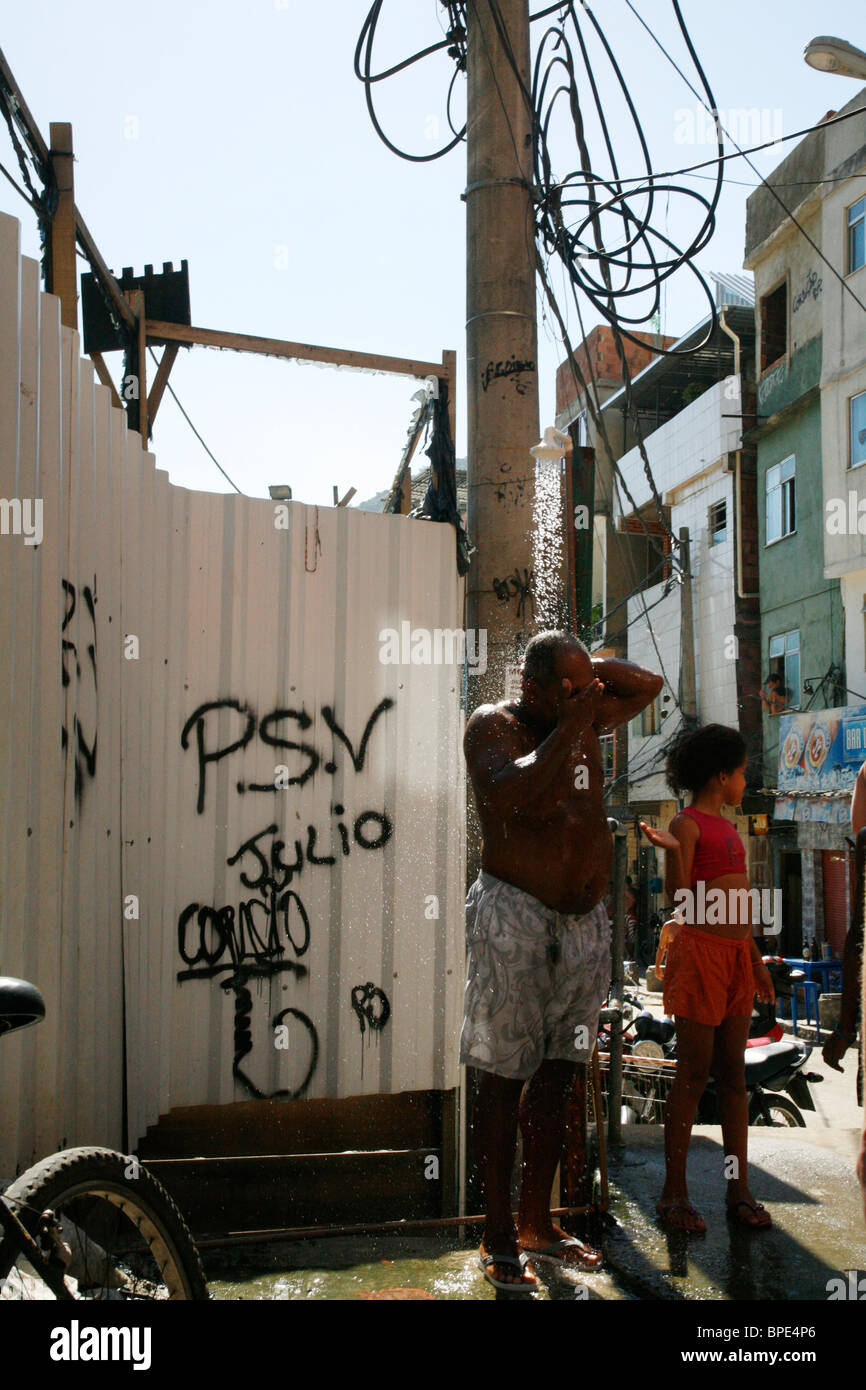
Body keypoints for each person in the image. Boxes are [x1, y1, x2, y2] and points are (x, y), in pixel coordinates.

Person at [461, 629, 663, 1289]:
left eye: (586, 689)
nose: (583, 699)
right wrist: (573, 720)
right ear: (532, 687)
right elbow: (509, 793)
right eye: (566, 689)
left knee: (559, 1077)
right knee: (503, 1080)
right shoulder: (494, 725)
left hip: (583, 927)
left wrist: (585, 678)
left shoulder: (582, 713)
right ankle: (497, 1237)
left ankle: (537, 1226)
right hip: (515, 916)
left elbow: (649, 685)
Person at [640, 724, 776, 1234]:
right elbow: (682, 900)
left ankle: (738, 1189)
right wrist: (672, 850)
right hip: (700, 958)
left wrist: (755, 962)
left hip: (736, 960)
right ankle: (673, 1193)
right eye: (741, 772)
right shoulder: (687, 823)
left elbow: (737, 913)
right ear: (722, 776)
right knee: (693, 1074)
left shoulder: (729, 827)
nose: (745, 780)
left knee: (735, 1079)